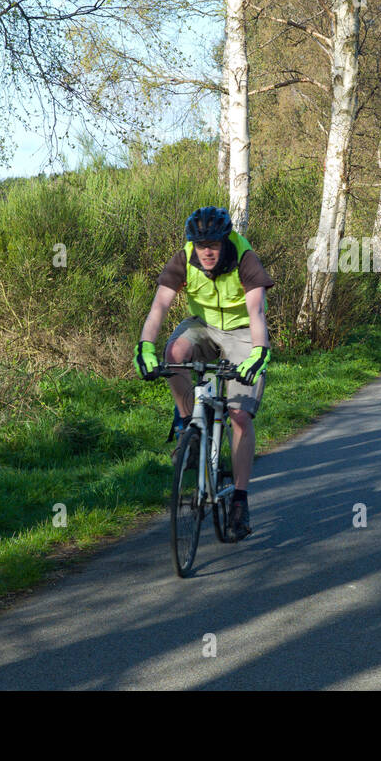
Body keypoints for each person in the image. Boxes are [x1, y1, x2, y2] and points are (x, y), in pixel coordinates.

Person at [135, 206, 273, 540]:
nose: (207, 251)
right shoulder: (184, 258)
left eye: (213, 243)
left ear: (225, 240)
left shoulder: (245, 258)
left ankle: (239, 500)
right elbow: (159, 307)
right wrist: (144, 346)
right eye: (200, 244)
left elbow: (255, 312)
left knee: (239, 415)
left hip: (242, 331)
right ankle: (188, 428)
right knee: (175, 354)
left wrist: (258, 353)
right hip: (204, 327)